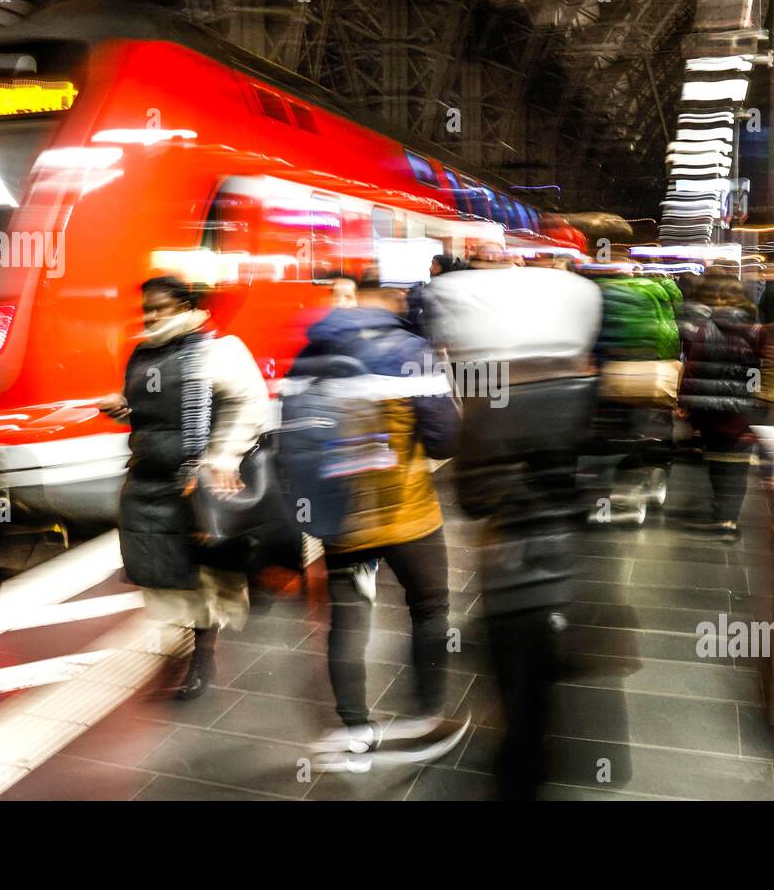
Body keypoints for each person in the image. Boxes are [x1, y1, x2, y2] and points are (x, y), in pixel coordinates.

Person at [425, 254, 606, 799]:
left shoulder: (492, 403)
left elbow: (473, 499)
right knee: (543, 667)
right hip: (566, 555)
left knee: (513, 663)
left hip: (509, 563)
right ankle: (536, 751)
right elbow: (593, 479)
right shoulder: (584, 387)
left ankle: (518, 766)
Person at [298, 270, 463, 771]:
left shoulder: (311, 352)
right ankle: (426, 717)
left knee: (347, 623)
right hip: (407, 514)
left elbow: (296, 437)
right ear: (388, 299)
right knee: (430, 609)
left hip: (342, 518)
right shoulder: (411, 351)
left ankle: (355, 730)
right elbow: (444, 439)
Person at [98, 275, 270, 700]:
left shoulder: (216, 351)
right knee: (165, 568)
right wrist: (123, 409)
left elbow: (250, 403)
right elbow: (146, 411)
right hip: (147, 477)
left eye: (161, 307)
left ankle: (202, 657)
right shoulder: (143, 352)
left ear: (185, 305)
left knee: (201, 575)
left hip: (193, 483)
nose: (152, 315)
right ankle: (195, 639)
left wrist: (222, 458)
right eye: (147, 309)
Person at [676, 270, 768, 539]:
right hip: (740, 410)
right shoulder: (758, 330)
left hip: (711, 410)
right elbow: (758, 370)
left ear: (719, 299)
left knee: (716, 460)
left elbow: (693, 367)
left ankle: (720, 511)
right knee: (738, 465)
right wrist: (751, 401)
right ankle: (729, 517)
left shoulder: (706, 327)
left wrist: (686, 402)